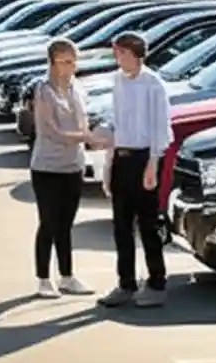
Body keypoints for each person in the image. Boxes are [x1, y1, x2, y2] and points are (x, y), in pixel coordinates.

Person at [95, 31, 173, 309]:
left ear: (134, 54)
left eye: (121, 53)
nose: (117, 58)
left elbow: (161, 128)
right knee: (121, 225)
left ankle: (156, 282)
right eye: (116, 53)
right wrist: (109, 163)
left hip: (144, 158)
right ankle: (126, 283)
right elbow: (117, 122)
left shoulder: (153, 84)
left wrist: (153, 164)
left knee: (148, 224)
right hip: (122, 157)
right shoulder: (117, 81)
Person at [29, 37, 95, 299]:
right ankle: (43, 279)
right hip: (47, 166)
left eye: (73, 62)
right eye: (64, 62)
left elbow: (84, 122)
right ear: (52, 63)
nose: (69, 67)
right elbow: (51, 131)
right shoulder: (44, 91)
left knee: (66, 224)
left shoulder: (77, 88)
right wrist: (86, 138)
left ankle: (67, 276)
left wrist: (92, 137)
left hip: (73, 165)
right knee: (49, 222)